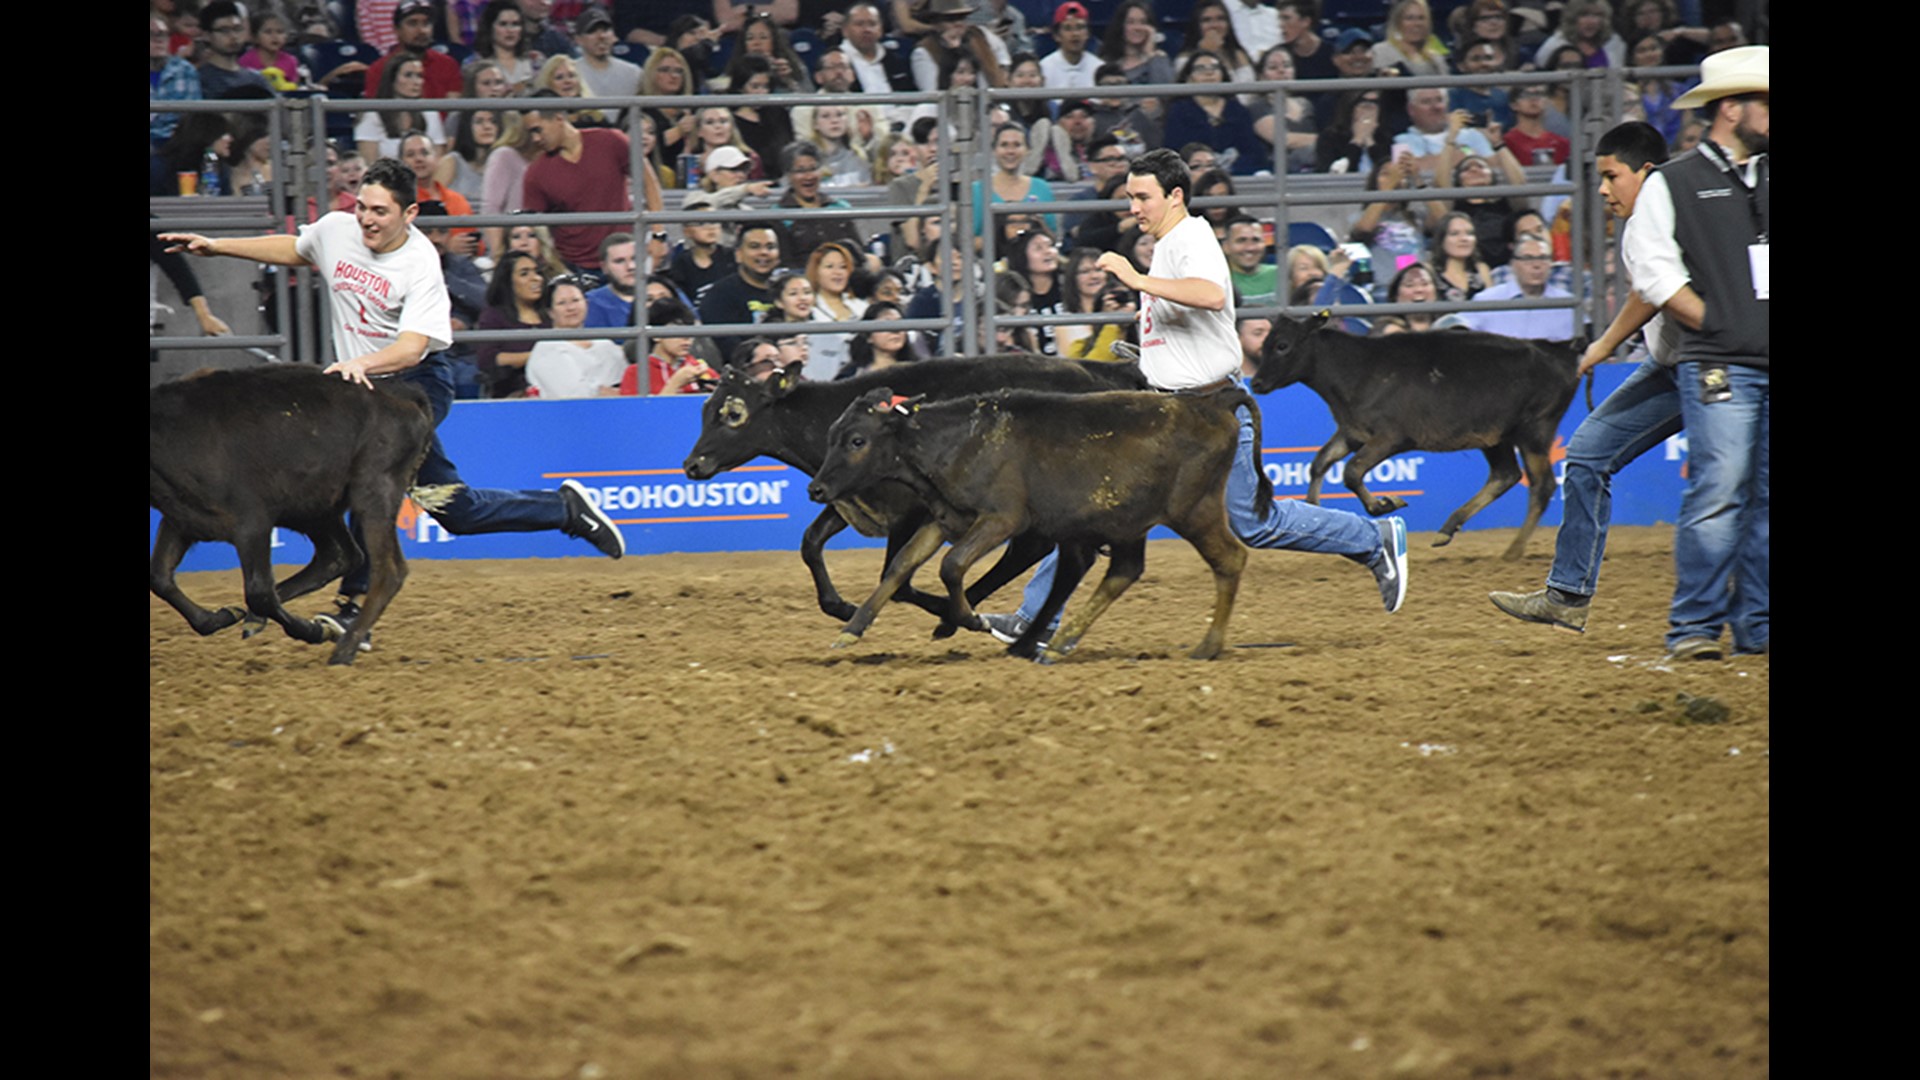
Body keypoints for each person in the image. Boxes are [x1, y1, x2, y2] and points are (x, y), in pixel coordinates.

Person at [158, 157, 625, 644]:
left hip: (413, 385)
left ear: (410, 213)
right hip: (359, 389)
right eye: (361, 207)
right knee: (439, 505)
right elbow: (299, 248)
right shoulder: (338, 229)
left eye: (379, 211)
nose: (366, 219)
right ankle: (561, 511)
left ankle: (358, 600)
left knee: (389, 489)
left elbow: (412, 346)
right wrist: (217, 247)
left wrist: (365, 363)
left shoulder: (419, 263)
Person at [981, 148, 1410, 647]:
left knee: (1252, 522)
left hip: (1209, 414)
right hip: (1173, 414)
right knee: (1093, 508)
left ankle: (1373, 539)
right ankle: (1040, 618)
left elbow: (1209, 295)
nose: (1134, 208)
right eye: (1129, 198)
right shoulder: (1170, 244)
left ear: (1175, 196)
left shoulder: (1191, 237)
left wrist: (1137, 280)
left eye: (1142, 197)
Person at [1489, 121, 1682, 632]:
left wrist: (1604, 343)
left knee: (1730, 493)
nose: (1601, 189)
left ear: (1647, 173)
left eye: (1610, 176)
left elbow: (1648, 293)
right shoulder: (1661, 214)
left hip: (1704, 367)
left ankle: (1712, 621)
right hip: (1674, 367)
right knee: (1589, 452)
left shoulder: (1650, 220)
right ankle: (1569, 594)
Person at [1631, 47, 1768, 659]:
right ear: (1731, 108)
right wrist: (1716, 321)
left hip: (1743, 355)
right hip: (1720, 360)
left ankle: (1756, 624)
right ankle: (1694, 627)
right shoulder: (1673, 181)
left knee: (1756, 495)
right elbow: (1654, 272)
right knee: (1721, 488)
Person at [521, 92, 653, 272]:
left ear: (559, 118)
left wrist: (658, 234)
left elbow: (648, 181)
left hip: (625, 258)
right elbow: (534, 230)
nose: (535, 139)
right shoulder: (536, 173)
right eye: (531, 133)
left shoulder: (610, 141)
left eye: (538, 130)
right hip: (574, 266)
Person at [526, 274, 629, 397]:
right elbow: (573, 395)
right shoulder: (546, 348)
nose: (571, 308)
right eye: (562, 303)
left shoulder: (605, 344)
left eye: (576, 300)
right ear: (551, 312)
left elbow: (626, 383)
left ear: (586, 303)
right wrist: (603, 392)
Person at [1460, 234, 1574, 339]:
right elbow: (1456, 330)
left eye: (1543, 258)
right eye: (1528, 258)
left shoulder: (1570, 305)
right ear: (1513, 265)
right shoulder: (1486, 301)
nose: (1536, 265)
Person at [364, 1, 464, 101]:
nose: (421, 30)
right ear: (396, 30)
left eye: (426, 23)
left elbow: (454, 110)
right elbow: (375, 111)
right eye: (412, 23)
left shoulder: (448, 64)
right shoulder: (379, 69)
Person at [196, 2, 272, 98]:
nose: (233, 36)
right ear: (206, 35)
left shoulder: (257, 79)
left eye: (237, 29)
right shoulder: (199, 80)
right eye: (224, 30)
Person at [472, 0, 542, 94]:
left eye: (515, 24)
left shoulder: (535, 60)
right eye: (503, 24)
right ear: (490, 27)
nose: (510, 30)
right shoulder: (475, 63)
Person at [583, 233, 642, 329]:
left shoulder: (667, 295)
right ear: (604, 267)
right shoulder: (589, 305)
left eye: (635, 259)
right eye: (619, 261)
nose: (631, 267)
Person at [1222, 215, 1278, 305]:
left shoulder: (1282, 275)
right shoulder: (1217, 279)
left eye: (1256, 240)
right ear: (1226, 247)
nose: (1250, 248)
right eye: (1241, 240)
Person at [1041, 3, 1100, 88]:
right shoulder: (1044, 68)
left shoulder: (1098, 67)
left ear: (1088, 33)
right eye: (1068, 28)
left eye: (1080, 27)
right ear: (1056, 36)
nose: (1075, 34)